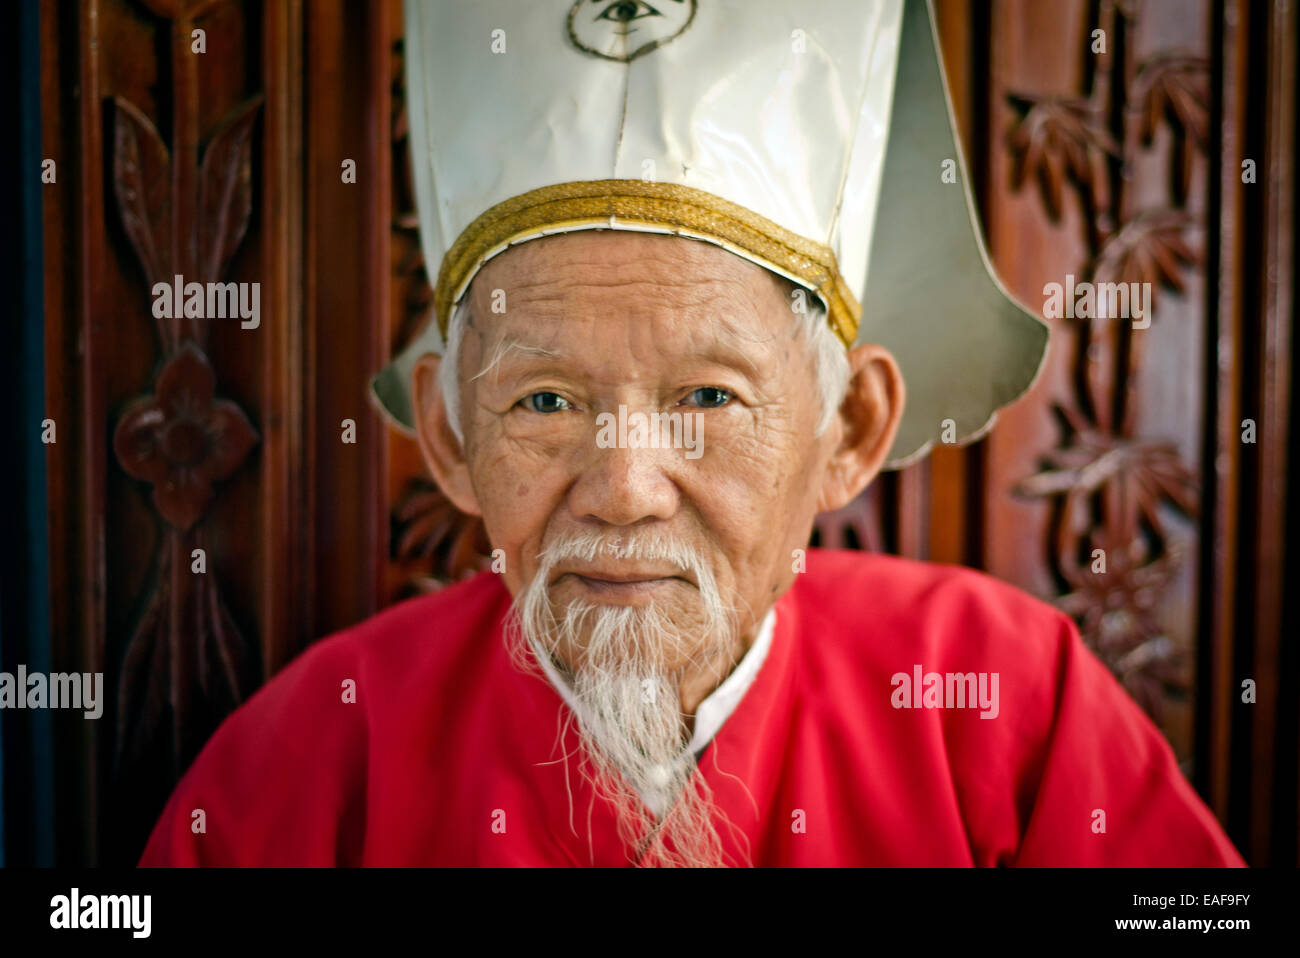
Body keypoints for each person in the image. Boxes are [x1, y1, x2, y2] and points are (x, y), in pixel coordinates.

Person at [139, 0, 1243, 867]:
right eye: (545, 402)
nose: (623, 489)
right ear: (447, 434)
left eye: (708, 399)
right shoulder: (324, 750)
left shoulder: (1005, 701)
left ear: (847, 428)